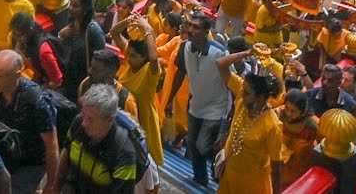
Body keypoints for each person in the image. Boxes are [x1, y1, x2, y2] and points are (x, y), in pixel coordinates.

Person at [0, 49, 60, 194]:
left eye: (1, 77)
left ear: (17, 75)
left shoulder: (35, 101)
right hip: (2, 153)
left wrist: (51, 184)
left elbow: (51, 145)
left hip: (29, 162)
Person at [165, 12, 229, 187]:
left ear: (206, 31)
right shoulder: (184, 47)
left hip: (216, 107)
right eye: (190, 26)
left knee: (202, 145)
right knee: (192, 143)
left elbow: (231, 83)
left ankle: (218, 171)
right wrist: (169, 99)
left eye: (196, 27)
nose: (191, 30)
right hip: (195, 104)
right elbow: (180, 73)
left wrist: (227, 116)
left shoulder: (219, 53)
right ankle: (200, 179)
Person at [55, 83, 142, 194]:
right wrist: (56, 188)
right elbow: (66, 152)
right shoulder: (78, 122)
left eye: (91, 119)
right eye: (83, 114)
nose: (84, 123)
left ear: (109, 120)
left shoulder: (124, 153)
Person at [215, 68, 283, 194]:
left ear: (261, 97)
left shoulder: (272, 125)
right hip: (229, 177)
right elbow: (221, 64)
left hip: (252, 185)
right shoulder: (242, 103)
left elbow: (276, 166)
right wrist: (248, 52)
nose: (241, 93)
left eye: (247, 92)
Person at [111, 13, 163, 167]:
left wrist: (147, 28)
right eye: (128, 54)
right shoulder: (130, 59)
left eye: (133, 56)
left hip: (142, 121)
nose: (128, 57)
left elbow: (154, 58)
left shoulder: (150, 71)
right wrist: (129, 20)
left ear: (143, 57)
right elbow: (114, 33)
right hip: (122, 115)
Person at [58, 0, 106, 102]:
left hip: (82, 86)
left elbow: (99, 62)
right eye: (71, 4)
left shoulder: (93, 31)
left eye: (75, 6)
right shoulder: (71, 23)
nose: (70, 8)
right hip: (67, 80)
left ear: (85, 9)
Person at [11, 11, 64, 90]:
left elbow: (57, 81)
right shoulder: (26, 38)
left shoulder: (44, 52)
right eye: (14, 33)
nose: (15, 38)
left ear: (28, 31)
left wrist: (39, 90)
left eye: (18, 35)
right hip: (39, 75)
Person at [278, 90, 319, 186]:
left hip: (300, 175)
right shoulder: (279, 115)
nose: (288, 113)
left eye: (293, 111)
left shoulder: (313, 126)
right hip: (280, 171)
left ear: (303, 111)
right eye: (287, 108)